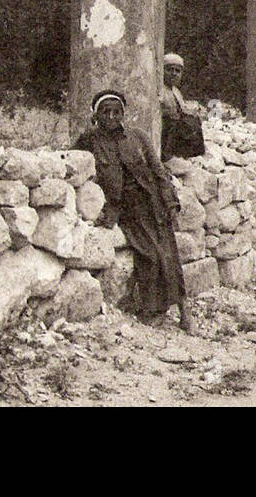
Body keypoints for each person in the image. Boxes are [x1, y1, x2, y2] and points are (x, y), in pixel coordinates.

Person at [72, 89, 194, 333]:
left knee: (168, 253)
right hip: (124, 208)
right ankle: (153, 310)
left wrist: (170, 201)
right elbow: (74, 164)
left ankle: (184, 307)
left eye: (117, 112)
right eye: (105, 112)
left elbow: (157, 169)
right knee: (148, 254)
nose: (111, 117)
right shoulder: (89, 141)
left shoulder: (137, 136)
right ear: (96, 116)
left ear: (123, 114)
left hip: (152, 202)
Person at [161, 53, 205, 159]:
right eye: (170, 70)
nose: (174, 74)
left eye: (177, 71)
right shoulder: (160, 89)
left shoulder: (176, 91)